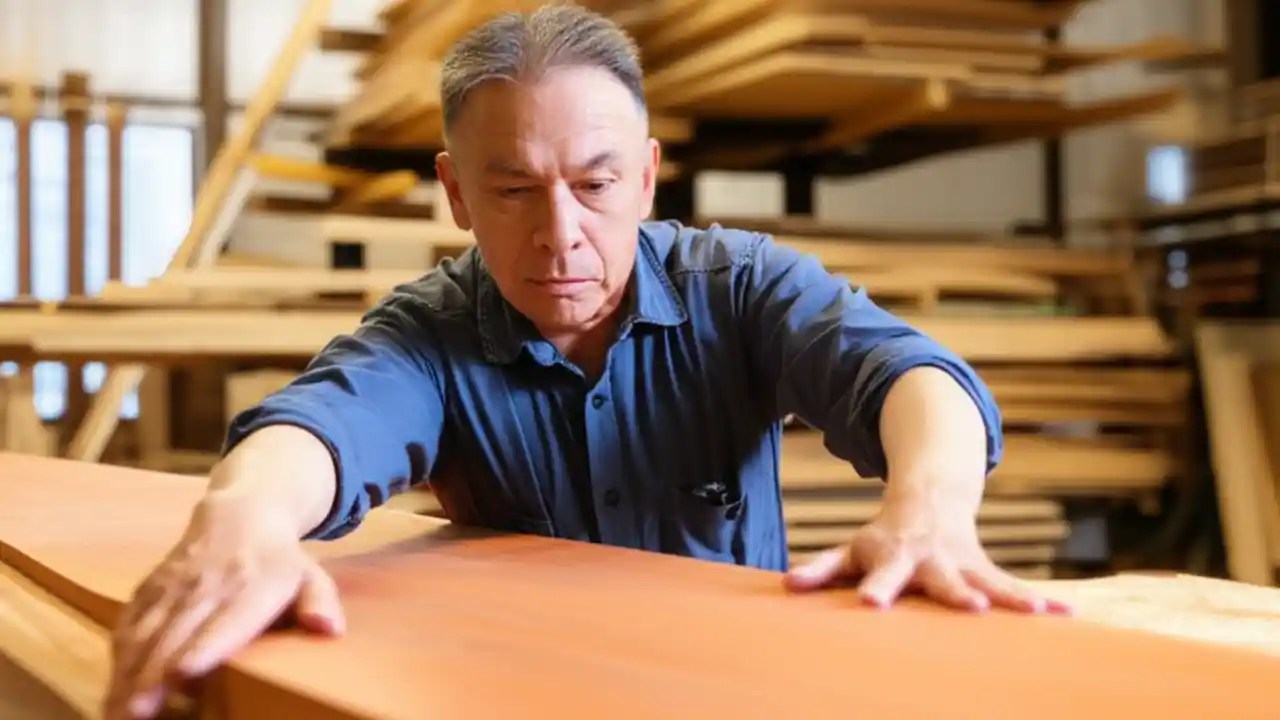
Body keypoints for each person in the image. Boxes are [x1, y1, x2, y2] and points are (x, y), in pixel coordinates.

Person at [104, 4, 1069, 718]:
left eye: (597, 184)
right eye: (515, 189)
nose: (561, 236)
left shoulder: (736, 287)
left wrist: (928, 515)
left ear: (647, 177)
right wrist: (243, 518)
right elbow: (320, 426)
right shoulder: (430, 334)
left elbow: (909, 374)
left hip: (738, 695)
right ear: (455, 194)